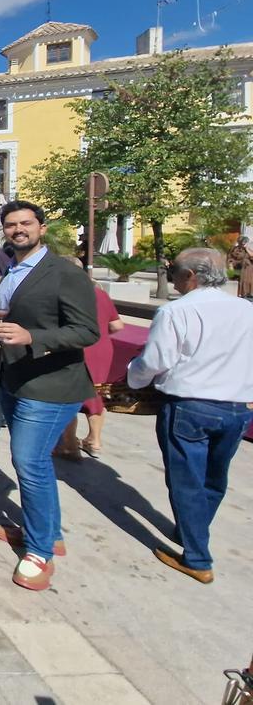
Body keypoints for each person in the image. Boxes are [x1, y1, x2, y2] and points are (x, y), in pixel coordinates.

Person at [0, 200, 99, 592]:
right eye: (12, 224)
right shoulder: (13, 269)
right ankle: (48, 533)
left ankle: (39, 553)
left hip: (51, 384)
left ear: (42, 226)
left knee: (29, 461)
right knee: (34, 464)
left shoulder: (65, 274)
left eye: (25, 223)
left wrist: (32, 337)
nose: (18, 230)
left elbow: (88, 332)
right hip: (14, 378)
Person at [128, 248, 253, 584]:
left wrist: (132, 378)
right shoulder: (246, 310)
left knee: (186, 482)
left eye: (175, 274)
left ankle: (197, 556)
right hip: (237, 408)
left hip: (190, 406)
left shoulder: (177, 312)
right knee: (214, 477)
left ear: (190, 277)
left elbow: (154, 361)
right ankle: (191, 529)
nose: (174, 280)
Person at [54, 276, 123, 459]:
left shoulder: (62, 295)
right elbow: (117, 325)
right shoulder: (100, 294)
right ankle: (95, 440)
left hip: (75, 347)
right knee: (96, 393)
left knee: (68, 396)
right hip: (101, 348)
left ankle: (69, 444)